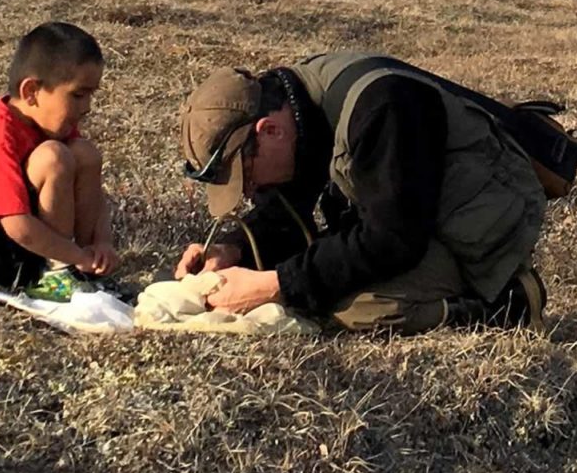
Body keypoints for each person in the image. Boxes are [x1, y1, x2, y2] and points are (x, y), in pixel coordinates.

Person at [175, 52, 548, 332]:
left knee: (353, 305)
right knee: (309, 278)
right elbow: (287, 207)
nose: (250, 189)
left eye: (246, 175)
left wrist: (274, 284)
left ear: (269, 131)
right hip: (411, 213)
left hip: (478, 228)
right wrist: (234, 248)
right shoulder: (294, 103)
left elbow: (392, 240)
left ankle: (507, 305)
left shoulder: (385, 106)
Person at [0, 22, 118, 301]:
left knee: (85, 153)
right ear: (31, 92)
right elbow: (18, 227)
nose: (87, 107)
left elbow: (93, 194)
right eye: (77, 95)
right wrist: (75, 255)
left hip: (12, 239)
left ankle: (82, 274)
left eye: (91, 95)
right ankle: (55, 273)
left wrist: (101, 244)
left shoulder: (50, 124)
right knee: (54, 157)